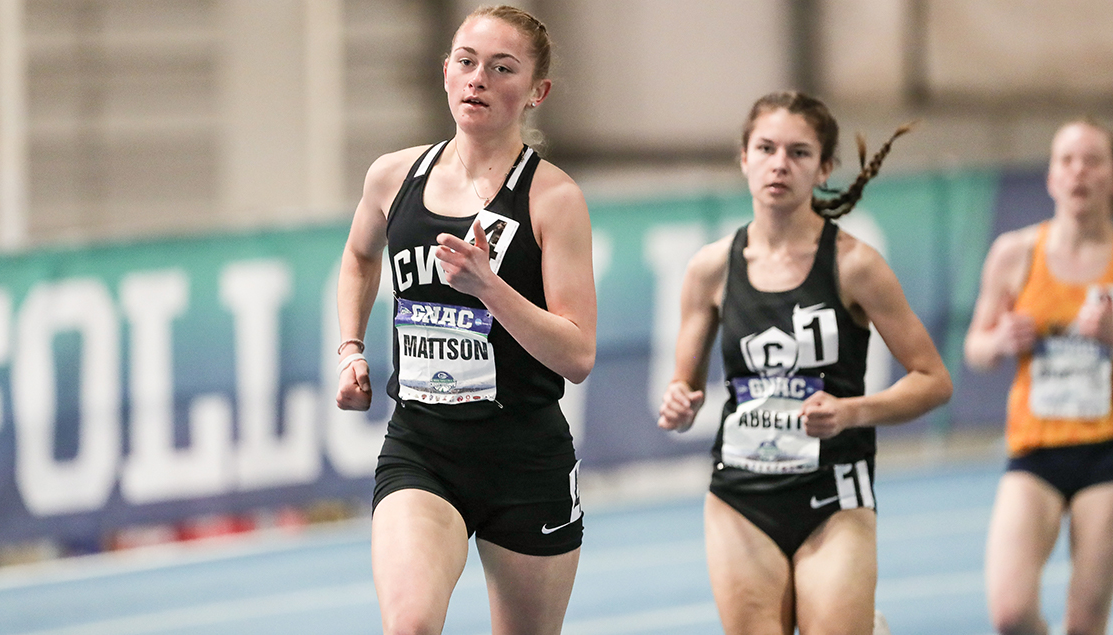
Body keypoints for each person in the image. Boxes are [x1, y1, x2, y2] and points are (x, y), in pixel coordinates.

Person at [334, 6, 596, 634]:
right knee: (411, 625)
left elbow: (577, 355)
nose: (478, 78)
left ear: (536, 92)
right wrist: (350, 348)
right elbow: (359, 257)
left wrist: (489, 288)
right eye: (466, 62)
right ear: (446, 72)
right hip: (423, 449)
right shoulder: (392, 177)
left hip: (524, 459)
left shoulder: (554, 199)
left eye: (502, 68)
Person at [657, 91, 953, 634]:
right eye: (766, 148)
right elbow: (687, 379)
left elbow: (933, 381)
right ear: (744, 158)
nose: (780, 164)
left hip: (835, 493)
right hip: (741, 494)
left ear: (824, 169)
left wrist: (850, 412)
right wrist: (680, 399)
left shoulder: (856, 266)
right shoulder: (710, 269)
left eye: (798, 153)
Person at [965, 118, 1113, 635]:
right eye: (1066, 161)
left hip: (1107, 453)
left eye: (1092, 160)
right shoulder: (1017, 254)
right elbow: (975, 348)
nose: (1079, 172)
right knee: (1011, 613)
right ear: (1051, 176)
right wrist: (1000, 340)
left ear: (1111, 174)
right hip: (1035, 451)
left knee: (1086, 622)